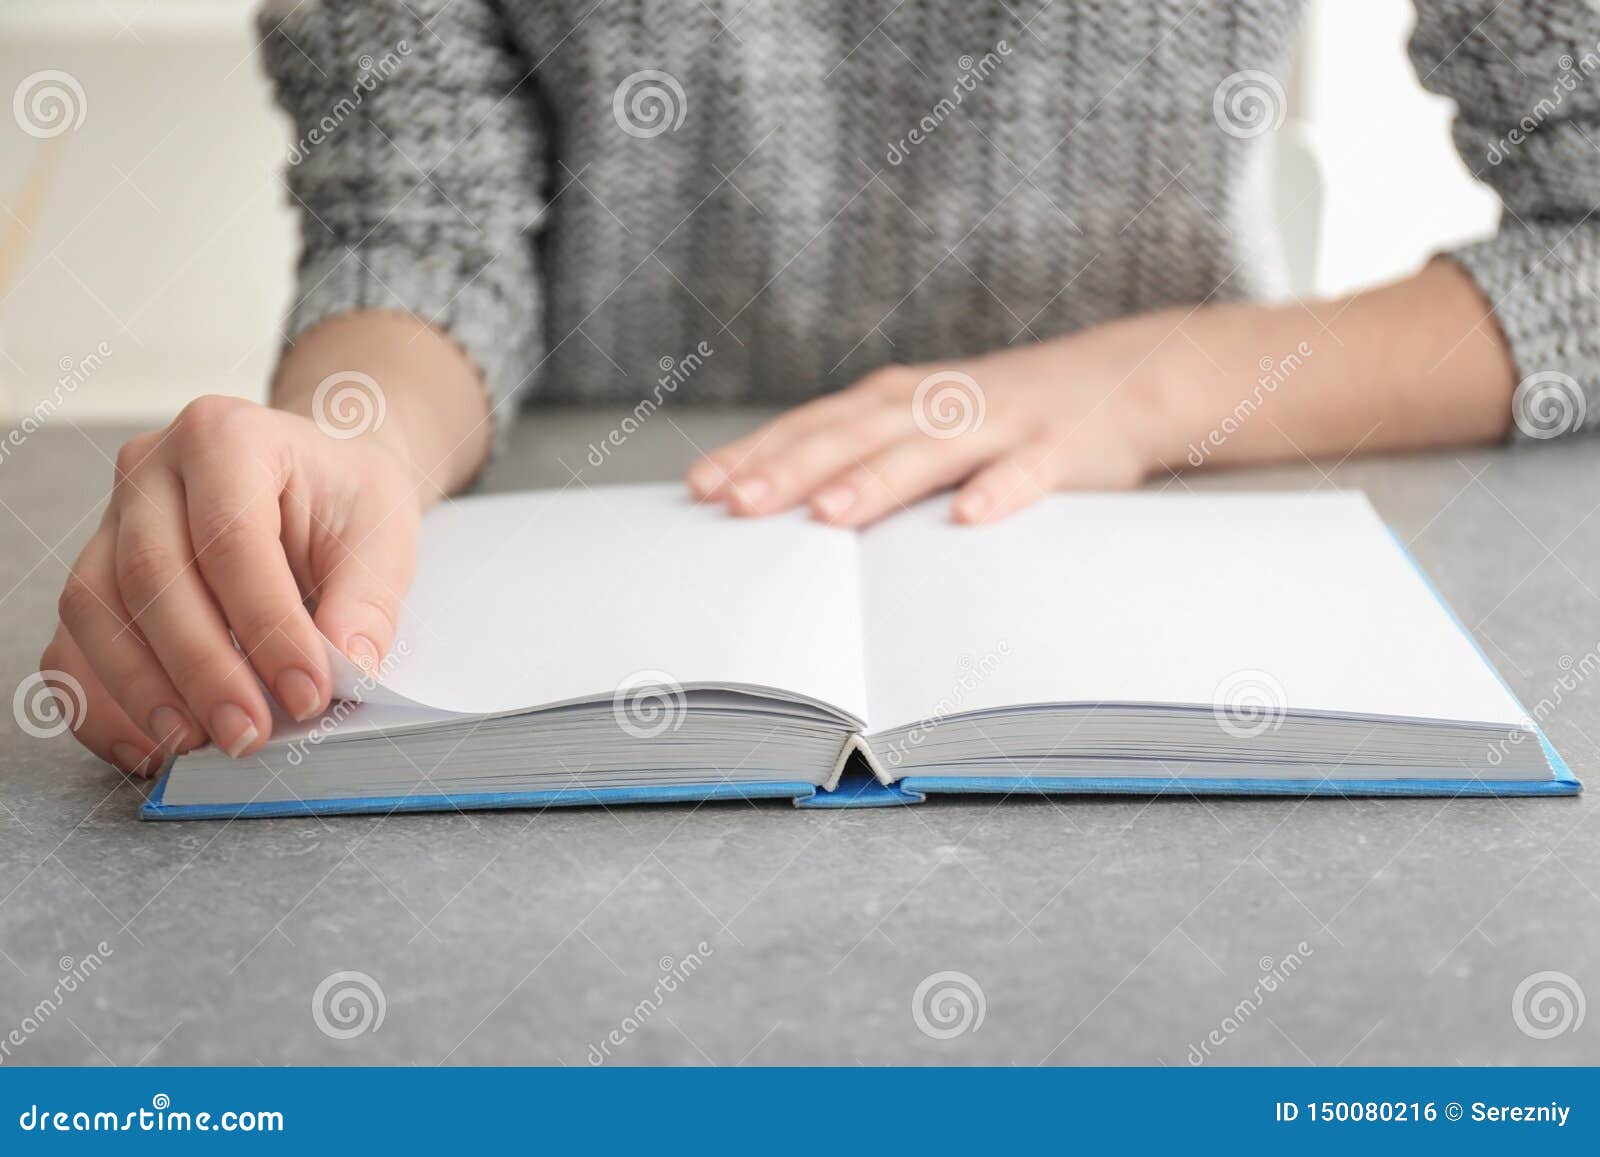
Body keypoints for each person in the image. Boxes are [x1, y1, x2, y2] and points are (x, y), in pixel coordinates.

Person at [39, 0, 1598, 775]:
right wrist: (348, 441)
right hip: (589, 558)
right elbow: (419, 224)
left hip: (1183, 528)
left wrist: (1149, 381)